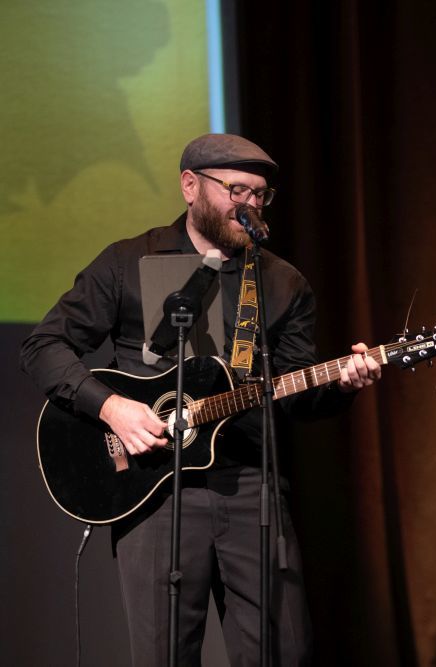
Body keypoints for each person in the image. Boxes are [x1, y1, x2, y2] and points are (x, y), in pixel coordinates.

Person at [20, 134, 381, 665]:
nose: (250, 204)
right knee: (164, 654)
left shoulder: (282, 283)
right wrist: (111, 407)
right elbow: (44, 346)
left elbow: (293, 397)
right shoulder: (128, 261)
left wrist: (340, 385)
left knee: (283, 652)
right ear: (190, 186)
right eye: (236, 190)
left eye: (259, 194)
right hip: (156, 492)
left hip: (251, 487)